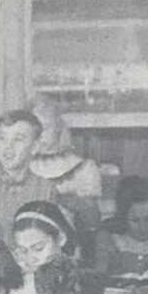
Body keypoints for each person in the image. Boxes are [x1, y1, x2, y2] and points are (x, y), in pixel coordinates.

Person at [28, 93, 102, 256]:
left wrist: (71, 201)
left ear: (59, 128)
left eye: (45, 128)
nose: (39, 137)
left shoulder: (83, 168)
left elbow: (92, 225)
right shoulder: (17, 167)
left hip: (66, 251)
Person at [0, 110, 54, 243]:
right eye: (2, 138)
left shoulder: (47, 189)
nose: (8, 146)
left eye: (18, 139)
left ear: (34, 147)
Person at [8, 201, 76, 294]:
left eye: (38, 248)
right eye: (23, 250)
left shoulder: (81, 281)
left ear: (61, 239)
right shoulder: (19, 290)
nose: (30, 258)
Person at [94, 176, 148, 277]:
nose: (142, 227)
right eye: (135, 221)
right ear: (124, 219)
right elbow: (99, 275)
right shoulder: (111, 240)